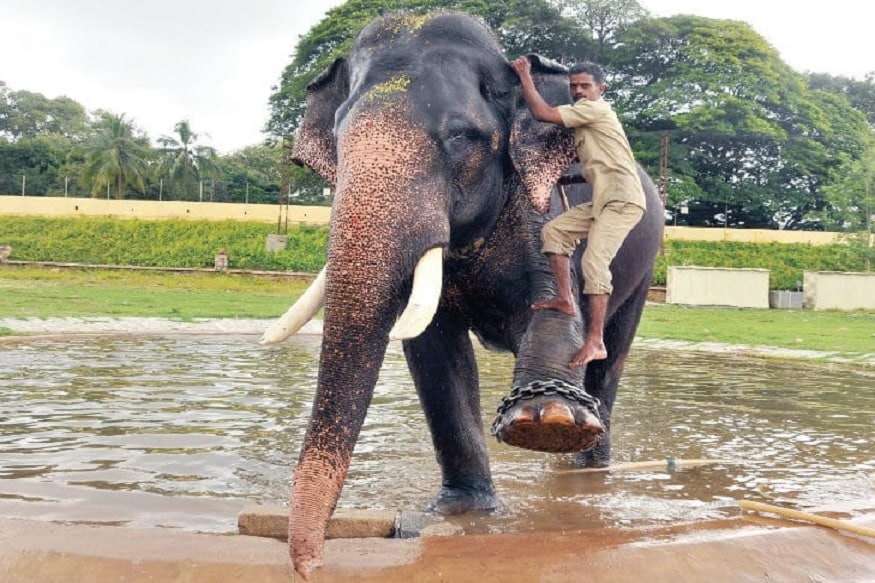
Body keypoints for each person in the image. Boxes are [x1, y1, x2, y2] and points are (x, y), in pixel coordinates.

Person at [511, 57, 646, 369]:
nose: (578, 91)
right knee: (554, 233)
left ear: (601, 89)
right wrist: (563, 178)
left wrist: (524, 76)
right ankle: (564, 299)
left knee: (594, 264)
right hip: (604, 198)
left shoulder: (593, 110)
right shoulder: (589, 120)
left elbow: (541, 113)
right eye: (573, 87)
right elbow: (602, 166)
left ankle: (596, 341)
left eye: (585, 86)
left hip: (622, 201)